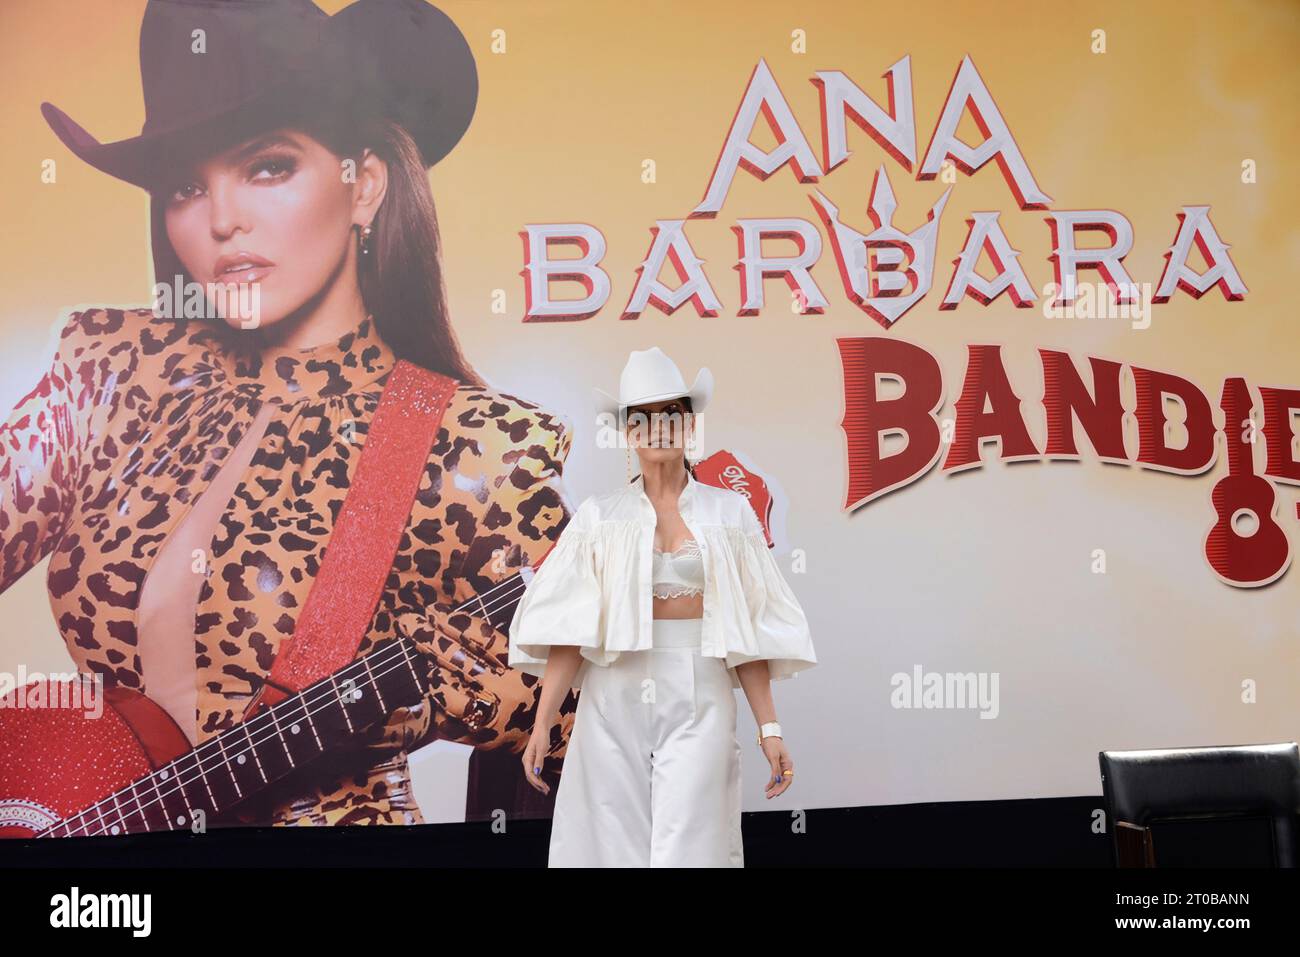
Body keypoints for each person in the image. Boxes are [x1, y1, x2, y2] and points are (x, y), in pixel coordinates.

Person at [2, 0, 581, 828]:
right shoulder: (110, 369)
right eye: (185, 186)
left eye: (267, 166)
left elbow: (586, 707)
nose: (221, 219)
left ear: (365, 184)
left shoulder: (469, 444)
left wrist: (432, 695)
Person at [508, 347, 818, 866]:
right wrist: (542, 723)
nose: (658, 428)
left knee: (695, 841)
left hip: (701, 686)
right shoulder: (597, 518)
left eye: (671, 414)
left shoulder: (728, 512)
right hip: (614, 688)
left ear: (689, 425)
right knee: (607, 838)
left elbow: (751, 630)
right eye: (643, 418)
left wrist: (771, 729)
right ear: (628, 433)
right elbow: (570, 630)